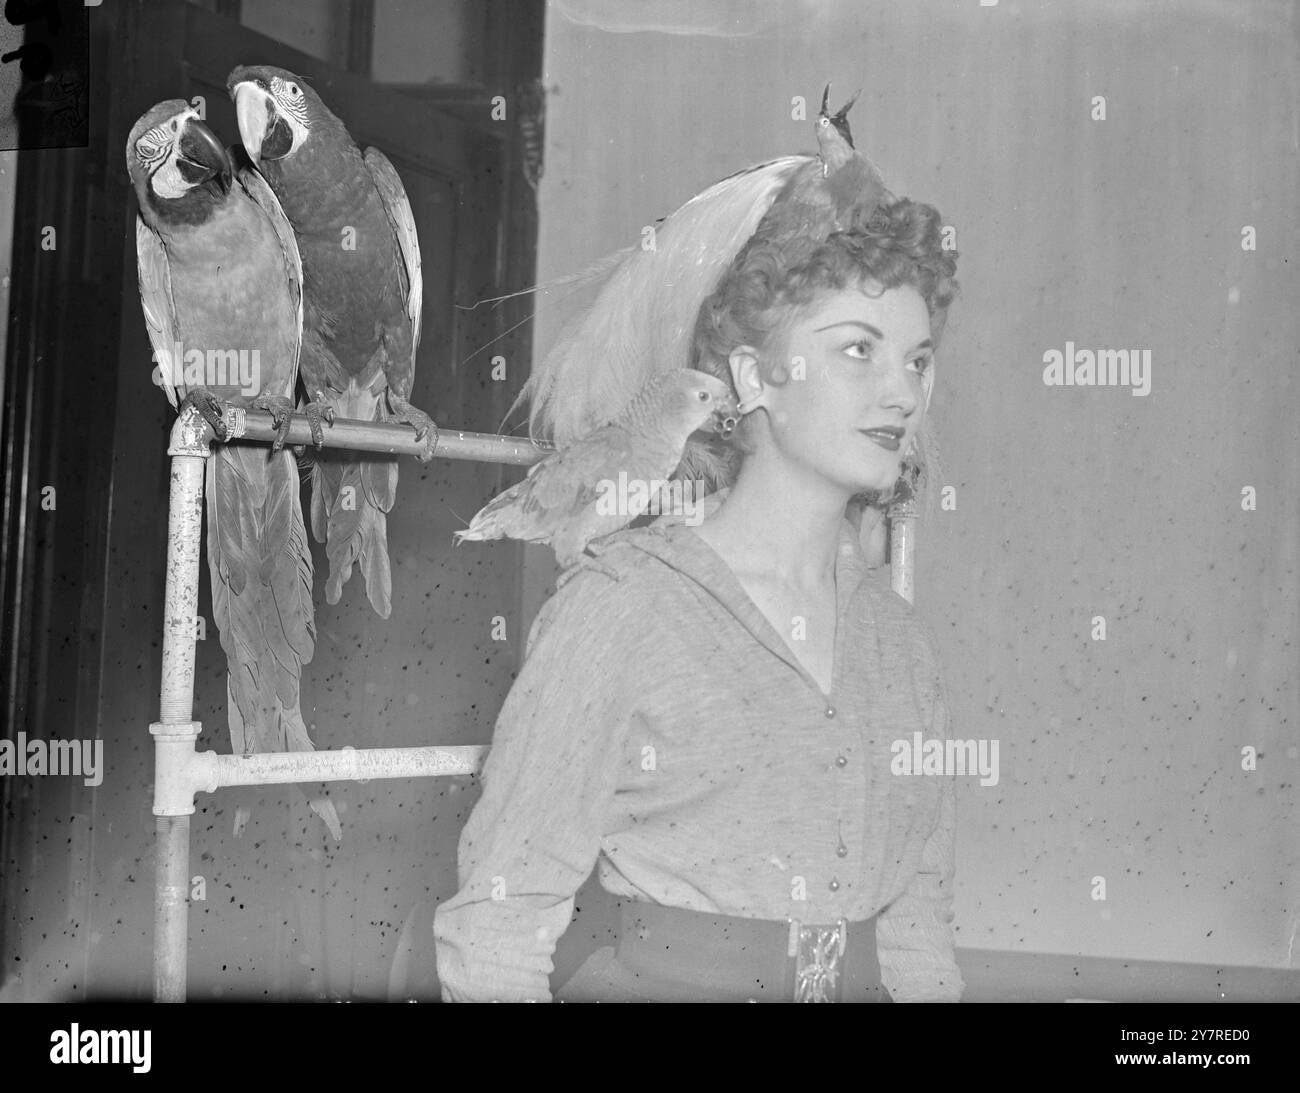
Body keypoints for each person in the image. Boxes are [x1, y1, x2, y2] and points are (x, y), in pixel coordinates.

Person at [433, 153, 962, 1004]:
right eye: (859, 349)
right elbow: (496, 926)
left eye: (918, 360)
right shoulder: (622, 606)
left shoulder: (900, 646)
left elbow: (919, 934)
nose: (902, 392)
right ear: (752, 378)